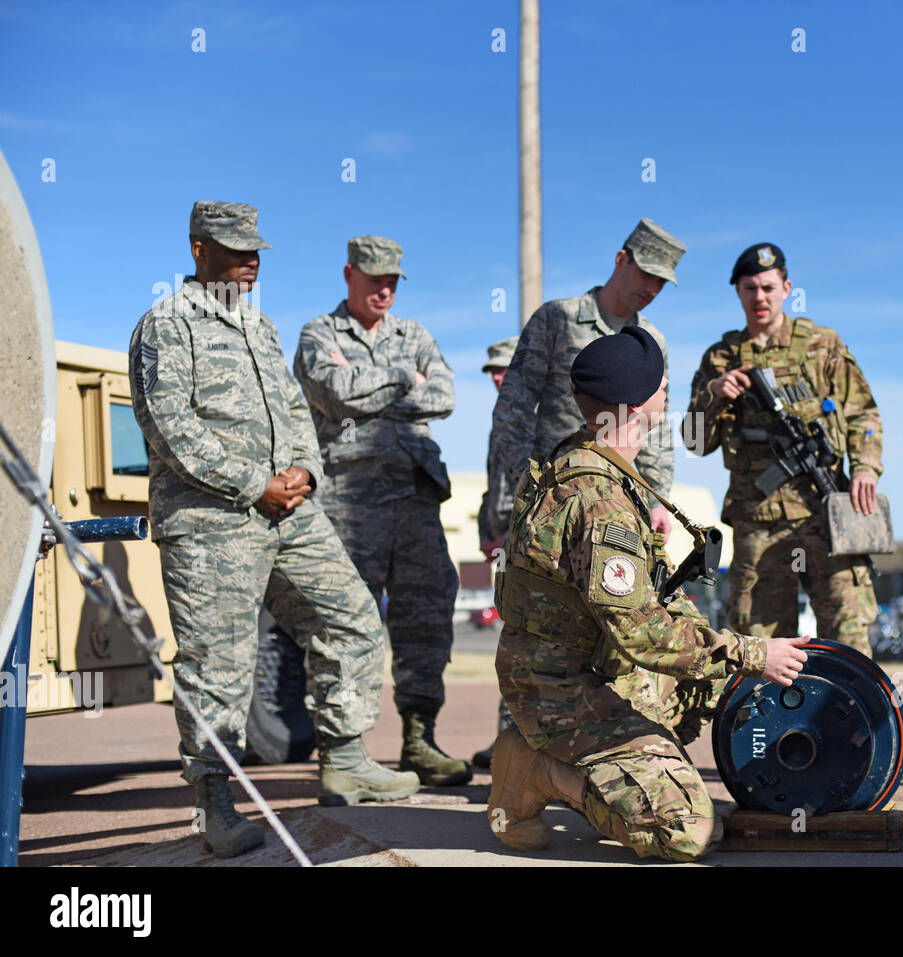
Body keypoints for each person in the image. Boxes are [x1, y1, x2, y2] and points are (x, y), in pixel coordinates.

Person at [129, 203, 418, 859]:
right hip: (212, 521)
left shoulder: (260, 326)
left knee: (350, 616)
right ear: (198, 250)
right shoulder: (167, 325)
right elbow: (170, 427)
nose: (249, 260)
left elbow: (295, 411)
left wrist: (304, 475)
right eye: (234, 249)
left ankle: (344, 760)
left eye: (255, 249)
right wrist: (251, 483)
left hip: (289, 510)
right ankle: (212, 802)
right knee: (218, 668)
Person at [487, 326, 809, 861]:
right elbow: (641, 633)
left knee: (705, 688)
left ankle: (622, 762)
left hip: (580, 668)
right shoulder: (600, 500)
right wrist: (754, 654)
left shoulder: (585, 462)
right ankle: (541, 767)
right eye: (663, 383)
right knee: (682, 832)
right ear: (640, 404)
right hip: (563, 692)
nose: (667, 391)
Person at [287, 235, 470, 786]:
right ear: (350, 275)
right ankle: (344, 752)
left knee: (426, 616)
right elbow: (333, 393)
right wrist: (400, 378)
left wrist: (376, 387)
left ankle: (419, 739)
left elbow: (443, 395)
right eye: (375, 280)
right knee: (345, 623)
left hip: (415, 498)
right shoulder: (320, 333)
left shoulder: (413, 334)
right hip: (348, 502)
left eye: (393, 282)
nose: (385, 291)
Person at [684, 243, 882, 654]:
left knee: (850, 636)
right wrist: (714, 395)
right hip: (758, 519)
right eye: (750, 288)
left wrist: (865, 468)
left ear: (787, 288)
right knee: (762, 644)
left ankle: (855, 716)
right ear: (737, 291)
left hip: (825, 513)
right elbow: (694, 442)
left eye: (769, 287)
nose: (760, 297)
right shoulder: (719, 359)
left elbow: (863, 413)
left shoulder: (823, 345)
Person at [483, 218, 685, 556]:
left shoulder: (652, 341)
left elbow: (657, 430)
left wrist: (656, 500)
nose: (652, 288)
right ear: (621, 259)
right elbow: (512, 408)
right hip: (554, 500)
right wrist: (530, 482)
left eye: (662, 282)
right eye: (647, 274)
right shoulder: (556, 319)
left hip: (619, 501)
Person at [472, 335, 518, 770]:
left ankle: (523, 744)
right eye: (492, 371)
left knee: (527, 645)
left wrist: (511, 535)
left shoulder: (537, 416)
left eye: (503, 369)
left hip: (526, 546)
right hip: (503, 544)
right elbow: (495, 486)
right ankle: (510, 740)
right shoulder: (500, 418)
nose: (497, 377)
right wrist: (487, 532)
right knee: (511, 644)